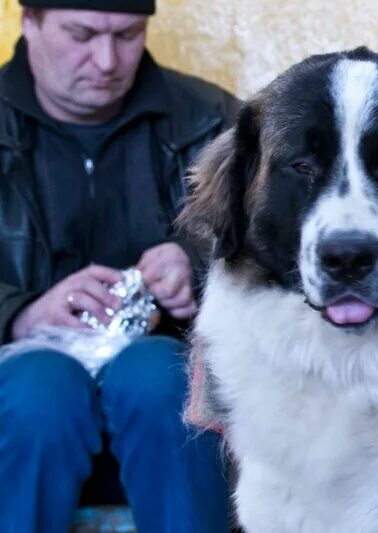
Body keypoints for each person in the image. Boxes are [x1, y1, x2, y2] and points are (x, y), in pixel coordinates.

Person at [0, 1, 238, 531]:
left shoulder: (213, 120)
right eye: (81, 34)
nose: (107, 60)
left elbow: (282, 243)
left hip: (167, 408)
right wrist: (19, 314)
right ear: (29, 22)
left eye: (128, 35)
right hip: (23, 416)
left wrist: (196, 264)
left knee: (159, 373)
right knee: (38, 385)